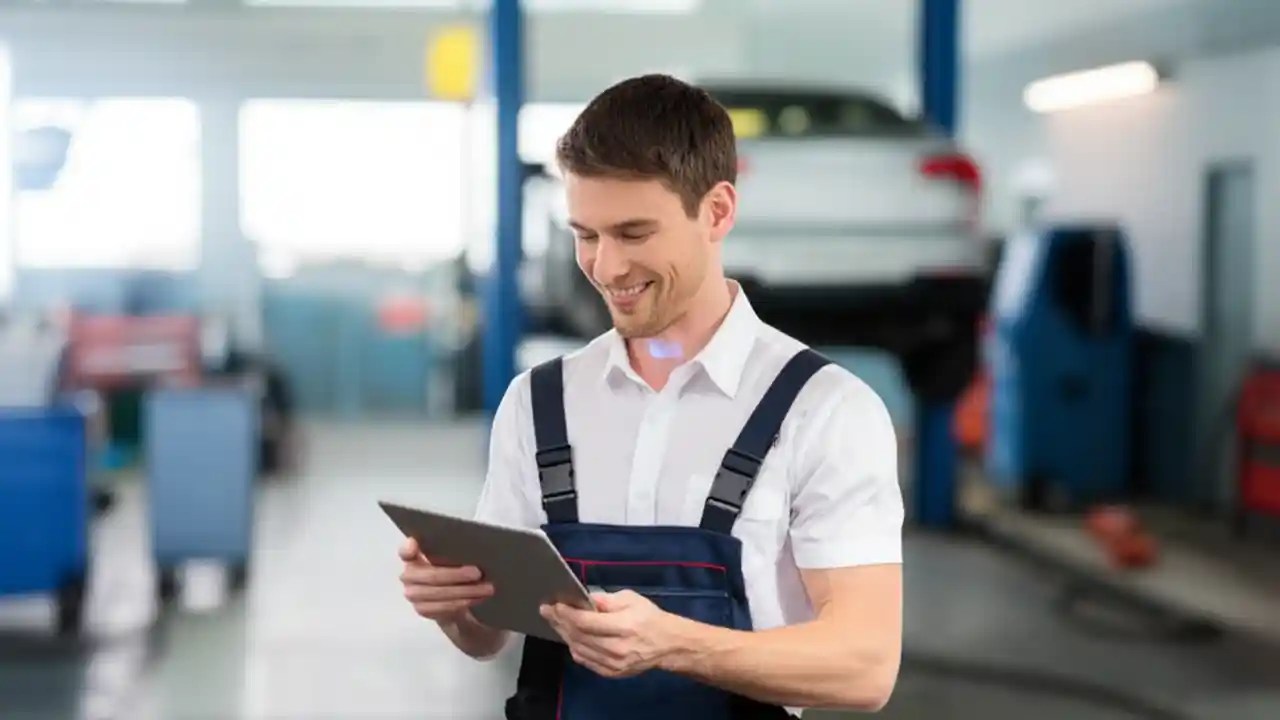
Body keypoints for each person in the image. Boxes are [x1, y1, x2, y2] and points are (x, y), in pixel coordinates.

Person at [398, 74, 904, 718]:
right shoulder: (539, 402)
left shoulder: (825, 411)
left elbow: (865, 666)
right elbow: (488, 635)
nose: (606, 268)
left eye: (634, 234)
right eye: (586, 235)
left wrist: (676, 645)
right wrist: (454, 607)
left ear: (717, 211)